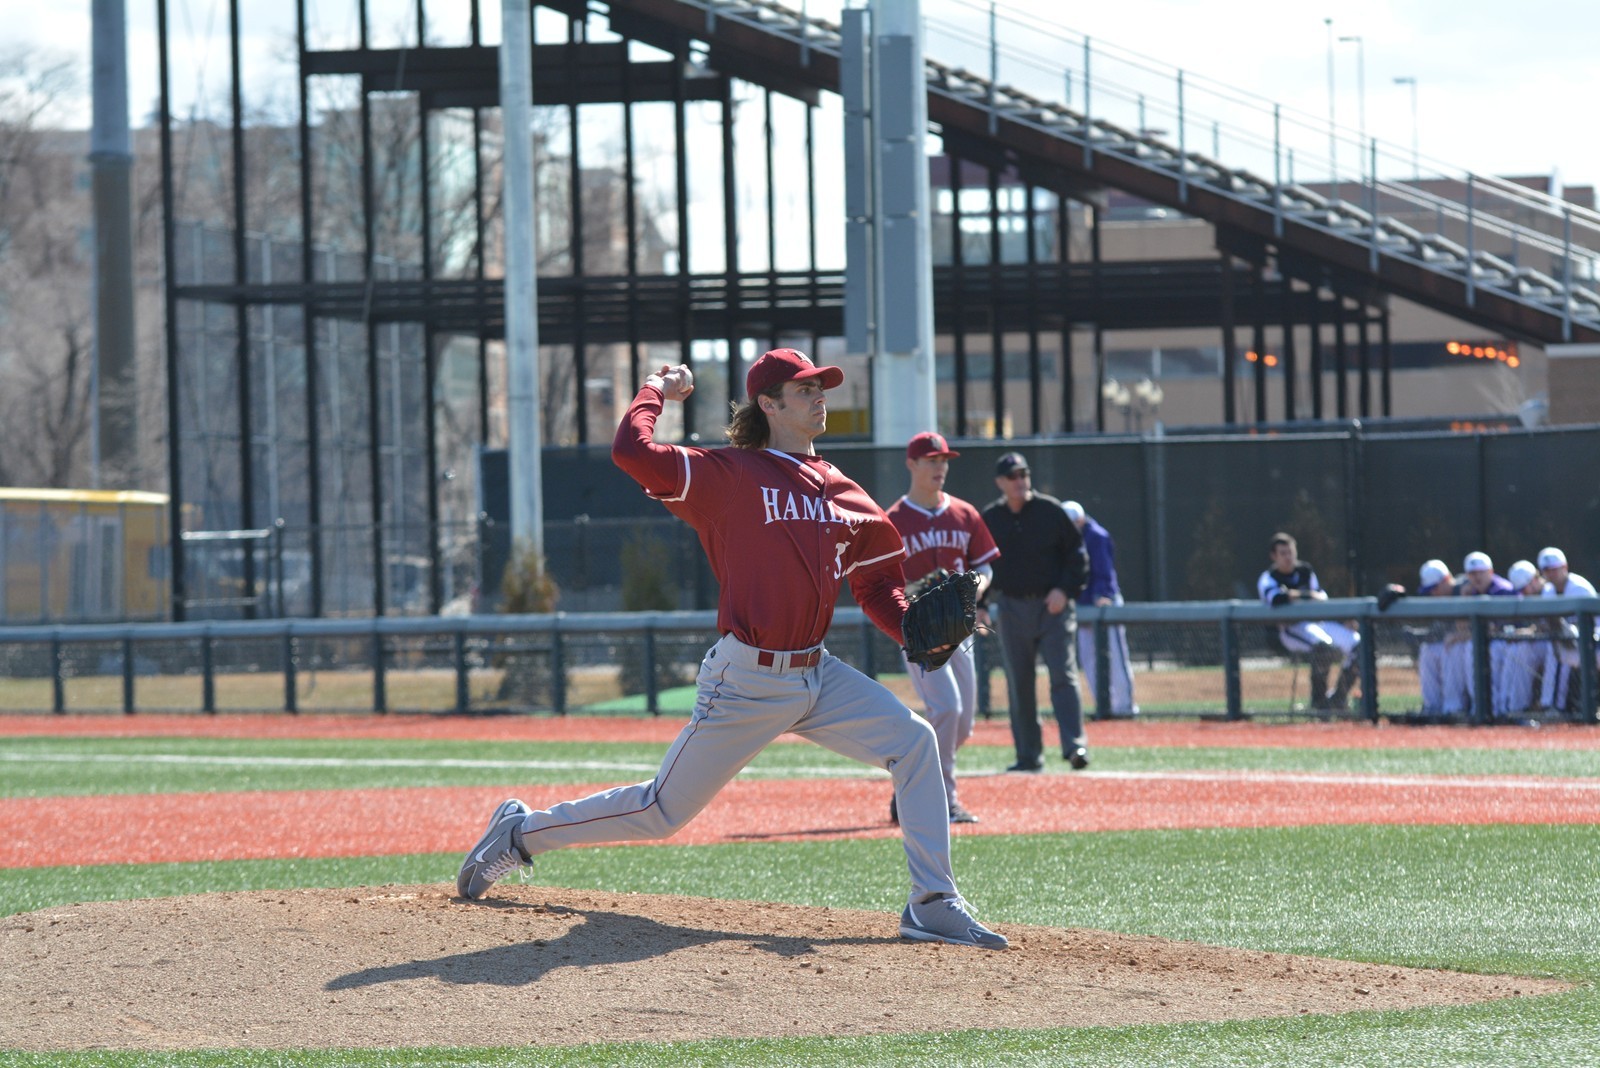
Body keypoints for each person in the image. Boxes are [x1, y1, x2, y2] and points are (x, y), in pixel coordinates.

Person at [454, 349, 1007, 950]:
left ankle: (932, 903)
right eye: (803, 389)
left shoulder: (850, 496)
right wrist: (656, 389)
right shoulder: (731, 475)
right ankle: (519, 833)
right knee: (660, 812)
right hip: (746, 679)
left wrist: (914, 634)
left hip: (817, 675)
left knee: (917, 743)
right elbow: (631, 452)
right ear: (768, 405)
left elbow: (876, 588)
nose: (820, 395)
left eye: (821, 386)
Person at [884, 431, 999, 825]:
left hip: (960, 632)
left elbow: (984, 565)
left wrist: (977, 588)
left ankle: (908, 781)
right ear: (912, 464)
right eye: (932, 460)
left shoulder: (964, 514)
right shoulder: (893, 520)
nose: (940, 468)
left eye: (944, 460)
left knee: (962, 724)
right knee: (947, 709)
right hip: (919, 631)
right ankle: (944, 800)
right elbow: (885, 579)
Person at [980, 452, 1091, 771]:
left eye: (1024, 474)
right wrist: (982, 604)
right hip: (1012, 607)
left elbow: (1078, 557)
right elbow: (980, 564)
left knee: (1063, 676)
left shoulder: (1050, 511)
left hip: (1052, 606)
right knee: (1019, 682)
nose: (1020, 481)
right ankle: (1028, 755)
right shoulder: (991, 518)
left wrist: (1064, 590)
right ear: (1000, 482)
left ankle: (1075, 746)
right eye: (1013, 476)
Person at [1256, 532, 1360, 710]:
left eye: (1291, 552)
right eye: (1283, 553)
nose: (1288, 557)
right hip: (1290, 628)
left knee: (1359, 645)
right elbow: (1276, 598)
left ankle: (1338, 698)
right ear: (1274, 556)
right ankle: (1319, 703)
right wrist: (1304, 595)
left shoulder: (1305, 570)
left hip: (1317, 623)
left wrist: (1293, 594)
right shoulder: (1269, 578)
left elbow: (1320, 598)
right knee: (1323, 648)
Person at [1062, 500, 1139, 718]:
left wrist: (1102, 596)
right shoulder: (1066, 538)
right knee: (1088, 658)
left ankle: (1125, 708)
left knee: (1116, 656)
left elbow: (1104, 572)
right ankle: (1103, 707)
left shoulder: (1096, 535)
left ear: (1080, 520)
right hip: (1082, 606)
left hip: (1104, 604)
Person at [1537, 546, 1599, 715]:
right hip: (1569, 648)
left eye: (1555, 569)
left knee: (1561, 644)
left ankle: (1554, 706)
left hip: (1594, 645)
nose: (1551, 574)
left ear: (1565, 567)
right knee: (1556, 649)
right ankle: (1552, 706)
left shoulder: (1579, 588)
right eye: (1547, 570)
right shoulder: (1548, 591)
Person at [1493, 559, 1553, 720]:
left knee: (1523, 649)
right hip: (1545, 643)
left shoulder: (1549, 591)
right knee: (1514, 648)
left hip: (1562, 644)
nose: (1524, 593)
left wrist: (1530, 632)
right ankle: (1508, 707)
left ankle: (1521, 708)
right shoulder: (1530, 597)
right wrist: (1527, 632)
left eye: (1525, 588)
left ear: (1534, 579)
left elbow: (1554, 626)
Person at [1413, 558, 1470, 719]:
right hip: (1455, 645)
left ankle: (1454, 708)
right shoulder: (1439, 600)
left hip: (1473, 646)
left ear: (1447, 579)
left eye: (1435, 588)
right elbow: (1437, 633)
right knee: (1428, 649)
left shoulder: (1465, 587)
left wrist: (1457, 636)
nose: (1432, 593)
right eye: (1429, 590)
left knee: (1452, 648)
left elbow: (1468, 628)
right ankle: (1433, 706)